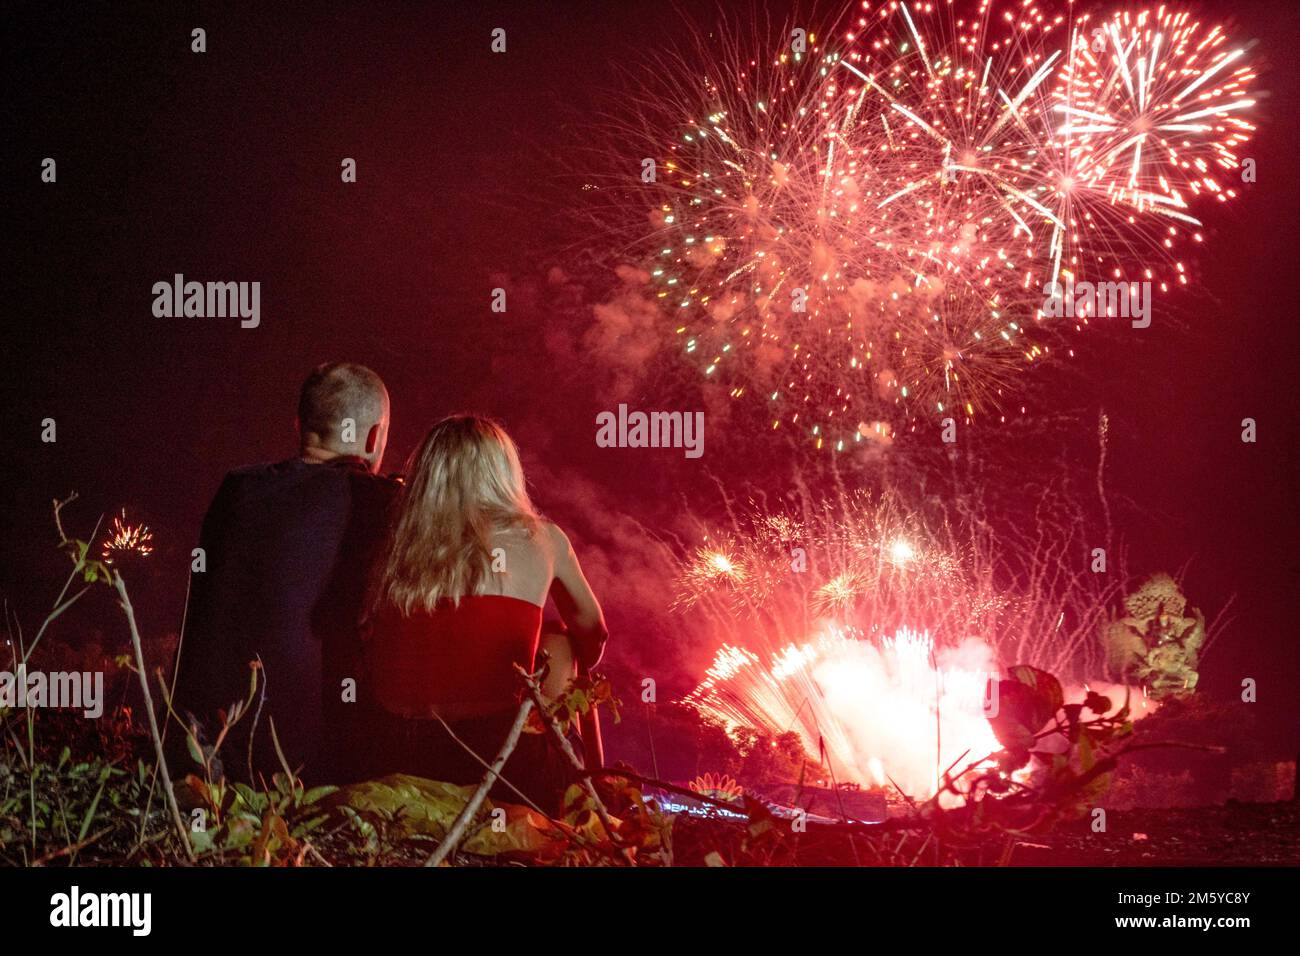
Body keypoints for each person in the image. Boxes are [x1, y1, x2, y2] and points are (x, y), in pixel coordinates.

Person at [364, 415, 607, 810]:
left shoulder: (395, 540)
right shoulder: (545, 539)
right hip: (500, 762)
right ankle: (584, 789)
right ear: (505, 472)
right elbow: (594, 634)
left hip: (396, 753)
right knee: (561, 637)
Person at [174, 362, 399, 784]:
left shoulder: (237, 490)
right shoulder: (380, 501)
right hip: (323, 766)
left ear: (300, 425)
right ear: (374, 436)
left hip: (210, 753)